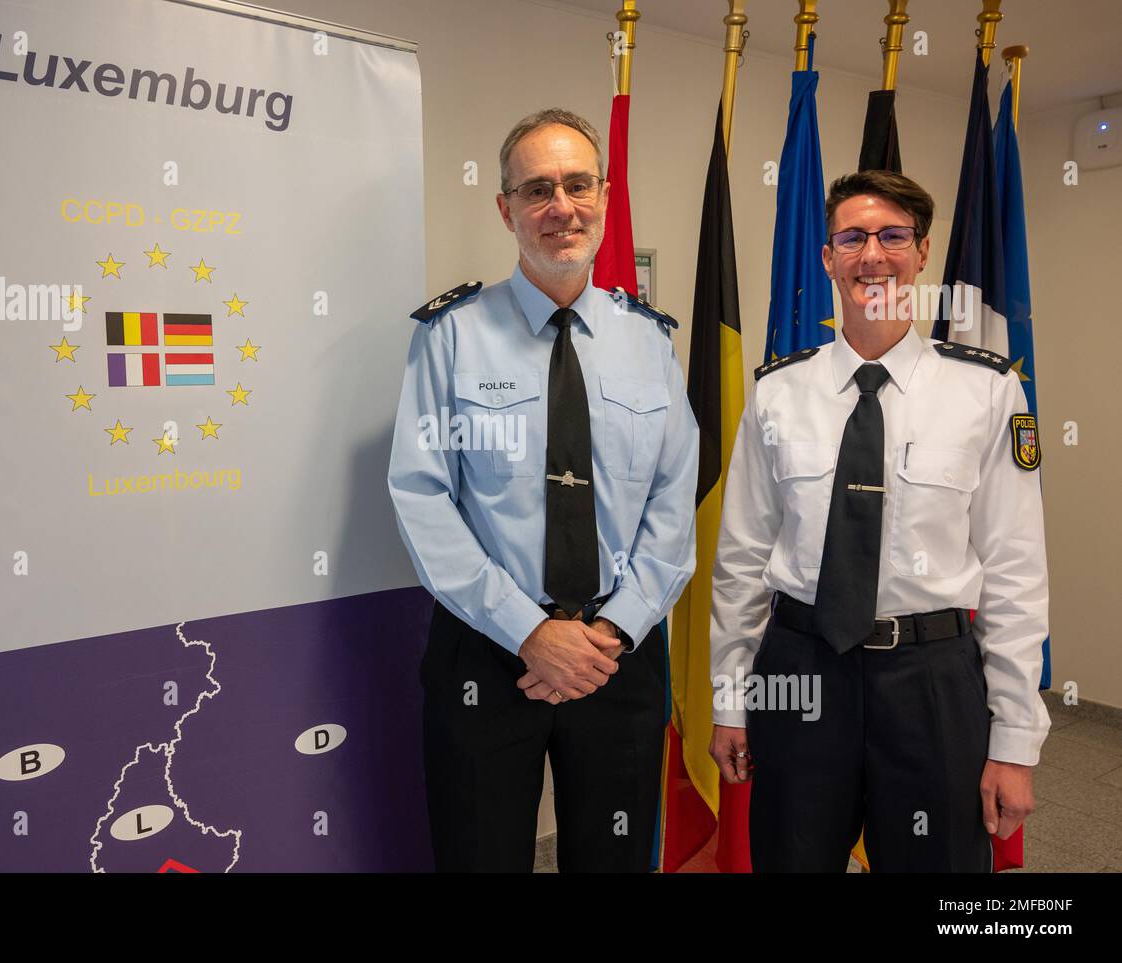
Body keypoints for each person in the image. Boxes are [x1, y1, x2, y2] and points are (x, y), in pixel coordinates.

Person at [708, 169, 1049, 872]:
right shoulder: (778, 392)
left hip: (931, 678)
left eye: (893, 236)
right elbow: (742, 559)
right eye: (853, 237)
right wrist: (730, 700)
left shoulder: (987, 390)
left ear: (923, 253)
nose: (873, 255)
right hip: (800, 667)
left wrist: (1015, 740)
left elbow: (1016, 570)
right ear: (828, 256)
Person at [387, 108, 698, 872]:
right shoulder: (451, 335)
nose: (561, 206)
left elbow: (671, 499)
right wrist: (527, 629)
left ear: (603, 193)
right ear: (506, 209)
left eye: (577, 184)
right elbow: (421, 492)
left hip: (616, 656)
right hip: (487, 652)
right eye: (537, 190)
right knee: (480, 855)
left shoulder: (650, 342)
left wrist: (615, 629)